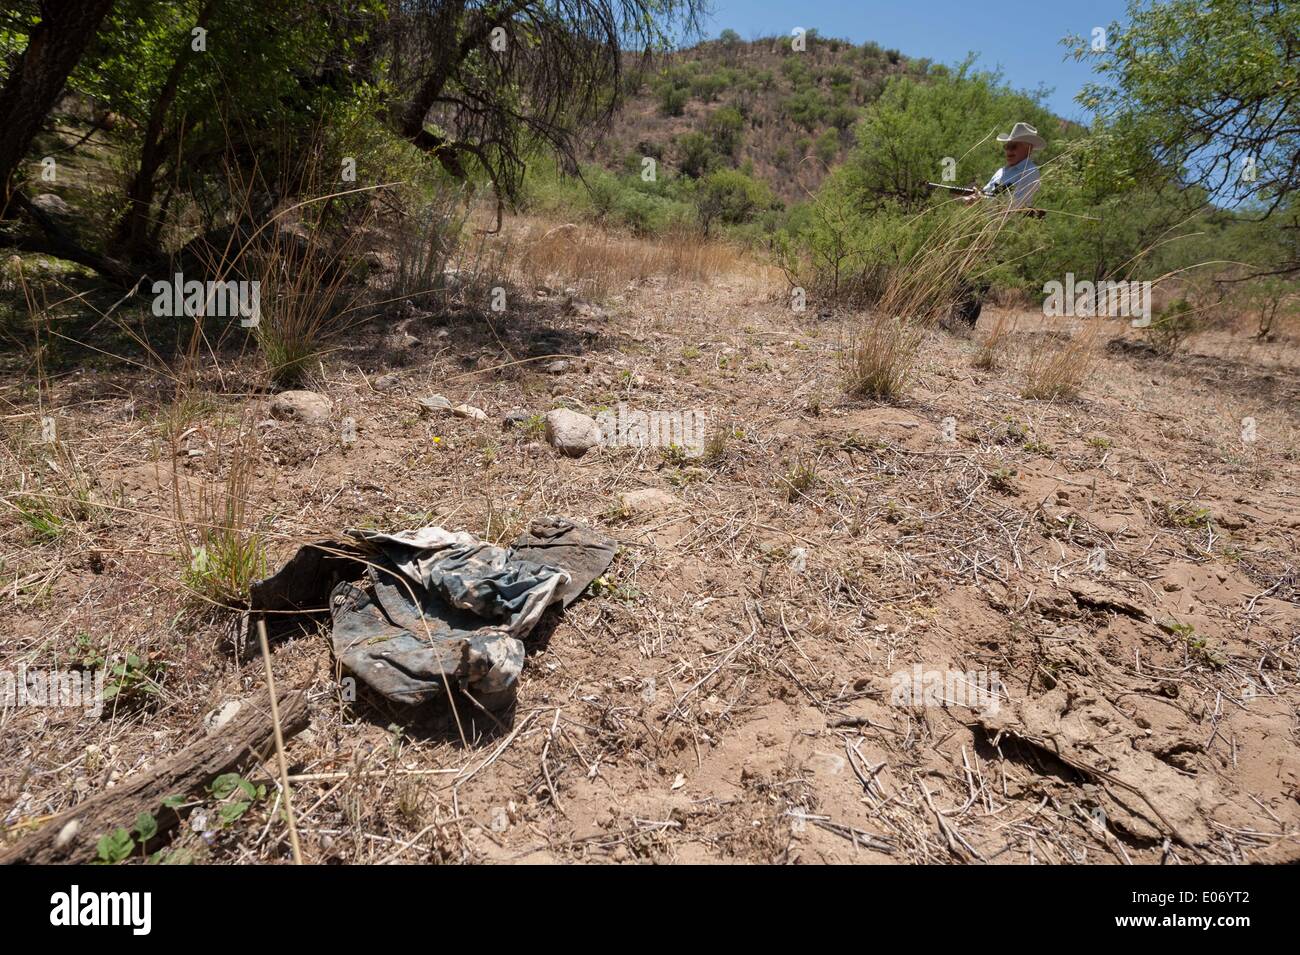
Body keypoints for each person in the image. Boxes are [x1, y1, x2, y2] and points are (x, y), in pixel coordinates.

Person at [964, 122, 1044, 210]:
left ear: (1029, 149)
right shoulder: (1001, 171)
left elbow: (1014, 204)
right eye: (1007, 146)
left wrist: (981, 198)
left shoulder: (1030, 172)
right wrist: (975, 198)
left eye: (1013, 147)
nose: (1008, 151)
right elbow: (987, 193)